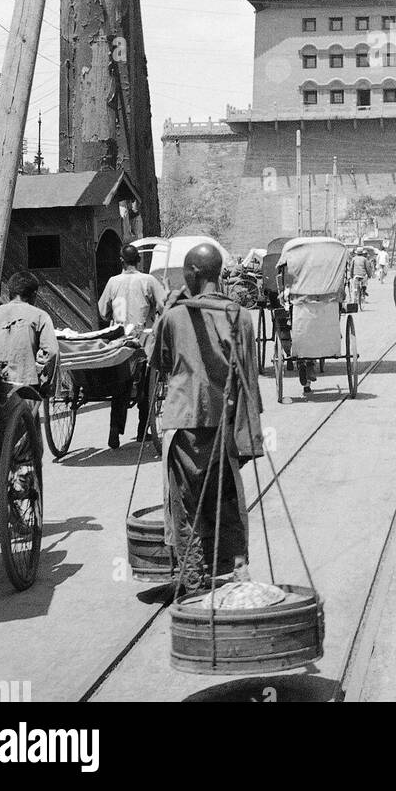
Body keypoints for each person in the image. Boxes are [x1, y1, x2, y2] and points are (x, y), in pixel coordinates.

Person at [151, 242, 263, 594]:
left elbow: (158, 361)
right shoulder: (241, 317)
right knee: (224, 495)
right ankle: (229, 565)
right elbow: (249, 373)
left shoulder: (174, 316)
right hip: (227, 423)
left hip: (185, 421)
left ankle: (193, 578)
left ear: (193, 274)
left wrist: (168, 308)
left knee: (184, 503)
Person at [0, 272, 59, 539]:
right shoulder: (39, 316)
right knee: (26, 454)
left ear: (9, 292)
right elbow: (51, 352)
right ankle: (15, 513)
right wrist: (42, 378)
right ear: (34, 294)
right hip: (24, 392)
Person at [98, 242, 167, 449]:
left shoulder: (112, 282)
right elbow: (164, 306)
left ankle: (114, 431)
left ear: (121, 261)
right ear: (138, 260)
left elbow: (103, 311)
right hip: (143, 339)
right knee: (147, 384)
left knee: (121, 384)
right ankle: (142, 429)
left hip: (119, 341)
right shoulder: (148, 280)